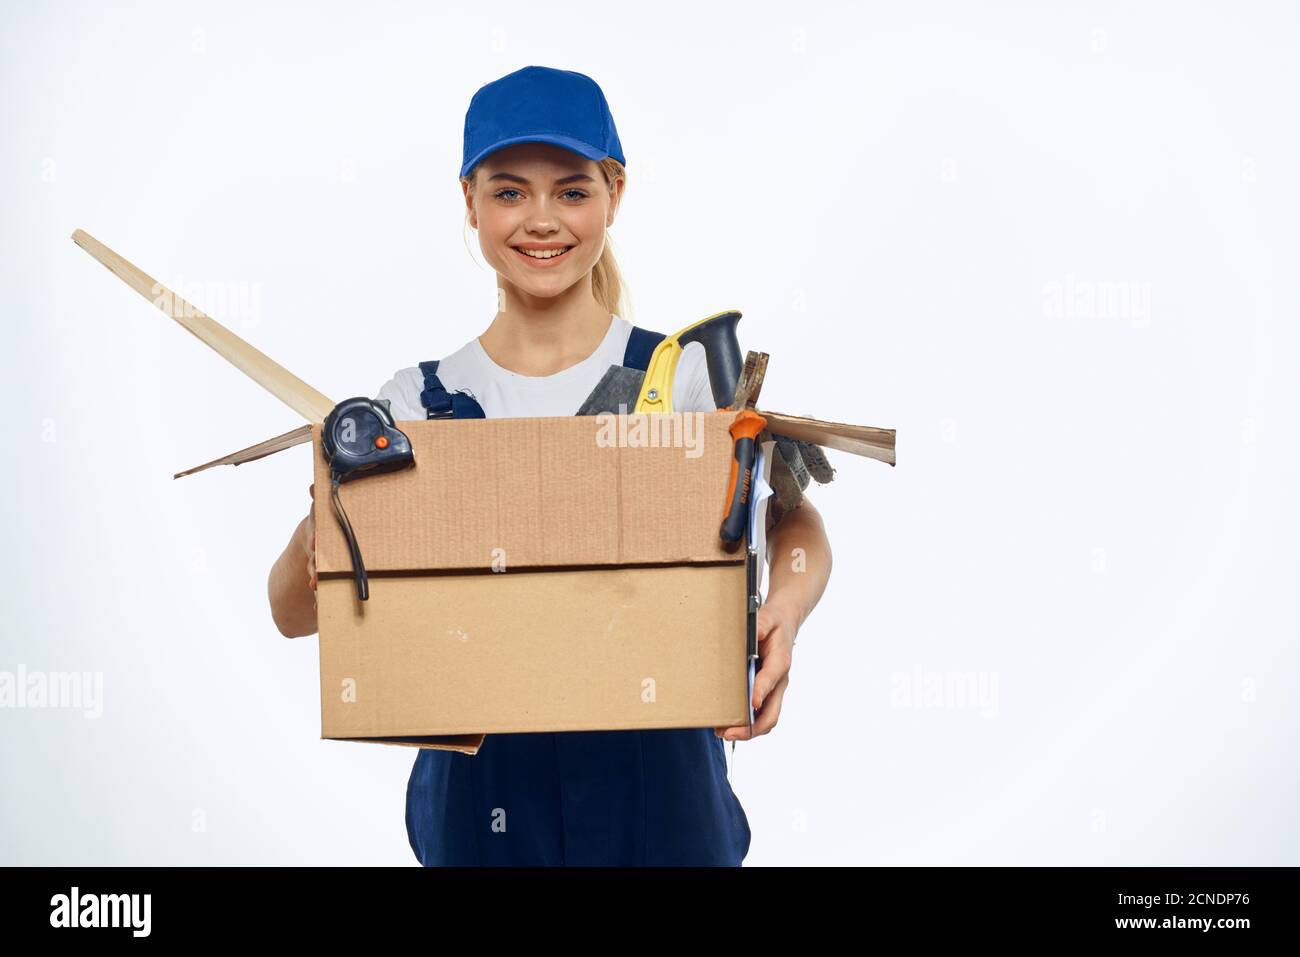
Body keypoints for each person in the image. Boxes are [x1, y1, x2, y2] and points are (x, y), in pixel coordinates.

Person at [267, 65, 833, 866]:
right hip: (484, 803)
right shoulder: (419, 406)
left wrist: (787, 609)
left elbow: (791, 516)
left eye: (571, 191)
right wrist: (320, 531)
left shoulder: (684, 375)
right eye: (509, 192)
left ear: (615, 193)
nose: (542, 220)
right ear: (469, 199)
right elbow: (293, 613)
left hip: (661, 791)